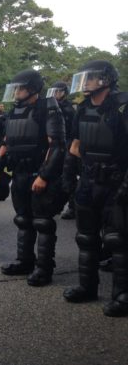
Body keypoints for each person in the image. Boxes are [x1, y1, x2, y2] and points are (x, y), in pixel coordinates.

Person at [62, 60, 128, 317]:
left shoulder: (122, 107)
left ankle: (122, 296)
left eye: (91, 78)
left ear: (105, 80)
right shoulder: (83, 108)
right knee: (86, 238)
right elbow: (74, 145)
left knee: (118, 240)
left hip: (116, 183)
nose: (85, 82)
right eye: (84, 78)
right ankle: (86, 286)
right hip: (89, 181)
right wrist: (68, 176)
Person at [0, 70, 66, 286]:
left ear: (33, 88)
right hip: (19, 173)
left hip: (38, 174)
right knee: (23, 220)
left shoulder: (48, 108)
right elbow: (5, 142)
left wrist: (44, 175)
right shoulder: (15, 110)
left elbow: (56, 144)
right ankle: (25, 261)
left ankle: (44, 268)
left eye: (20, 88)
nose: (16, 92)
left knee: (42, 222)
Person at [46, 82, 77, 221]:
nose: (54, 94)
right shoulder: (49, 106)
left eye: (57, 91)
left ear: (64, 92)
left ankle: (72, 206)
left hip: (67, 144)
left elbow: (72, 131)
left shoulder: (68, 108)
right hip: (52, 144)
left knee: (68, 176)